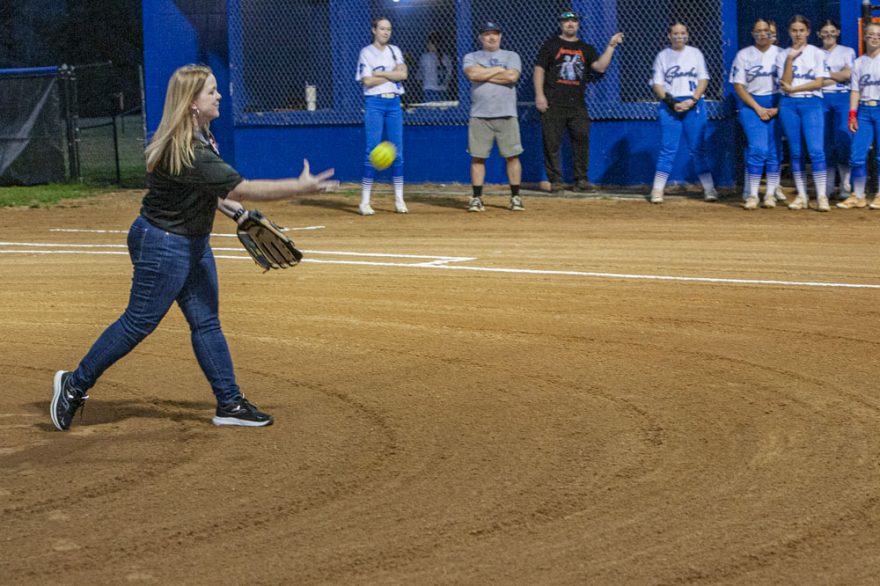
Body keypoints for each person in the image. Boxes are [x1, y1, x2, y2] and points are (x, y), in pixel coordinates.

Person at [50, 64, 339, 431]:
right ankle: (74, 384)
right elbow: (240, 187)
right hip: (164, 243)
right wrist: (300, 187)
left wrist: (237, 214)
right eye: (211, 91)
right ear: (191, 104)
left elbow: (211, 193)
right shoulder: (185, 148)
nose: (219, 95)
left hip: (190, 240)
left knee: (206, 322)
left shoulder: (201, 135)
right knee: (138, 322)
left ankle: (229, 403)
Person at [533, 10, 624, 194]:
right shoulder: (551, 45)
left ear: (578, 24)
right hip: (553, 103)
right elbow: (539, 69)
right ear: (561, 24)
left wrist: (611, 46)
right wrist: (539, 95)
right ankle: (556, 181)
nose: (570, 24)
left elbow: (600, 67)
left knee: (581, 141)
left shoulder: (585, 48)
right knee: (551, 143)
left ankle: (581, 180)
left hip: (577, 104)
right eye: (567, 21)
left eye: (573, 21)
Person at [648, 22, 718, 204]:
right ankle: (657, 190)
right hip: (670, 105)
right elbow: (657, 84)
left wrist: (693, 99)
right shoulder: (662, 56)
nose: (679, 36)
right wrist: (672, 102)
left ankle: (709, 189)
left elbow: (703, 79)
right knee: (667, 149)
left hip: (693, 104)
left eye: (683, 33)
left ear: (687, 35)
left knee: (697, 149)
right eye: (675, 33)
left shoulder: (695, 53)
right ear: (669, 35)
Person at [463, 21, 524, 212]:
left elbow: (512, 77)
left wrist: (486, 73)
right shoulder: (471, 56)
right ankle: (477, 198)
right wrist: (499, 70)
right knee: (478, 157)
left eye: (495, 33)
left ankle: (515, 197)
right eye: (487, 34)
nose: (491, 37)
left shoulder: (511, 55)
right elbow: (472, 75)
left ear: (500, 36)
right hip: (480, 114)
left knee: (512, 156)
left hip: (506, 113)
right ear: (481, 37)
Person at [356, 17, 408, 215]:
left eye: (389, 29)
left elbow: (403, 75)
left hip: (394, 102)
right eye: (382, 29)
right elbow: (367, 81)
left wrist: (381, 74)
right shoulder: (366, 52)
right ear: (374, 30)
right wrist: (390, 74)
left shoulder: (395, 51)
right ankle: (365, 202)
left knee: (398, 151)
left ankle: (399, 200)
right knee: (371, 150)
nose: (386, 32)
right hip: (374, 103)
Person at [777, 15, 829, 211]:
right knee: (796, 152)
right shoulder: (783, 54)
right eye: (794, 30)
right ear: (789, 32)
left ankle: (822, 196)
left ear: (808, 32)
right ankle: (802, 195)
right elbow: (785, 81)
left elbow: (818, 82)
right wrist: (790, 59)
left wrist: (794, 89)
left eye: (801, 30)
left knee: (816, 150)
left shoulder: (816, 53)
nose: (798, 34)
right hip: (789, 104)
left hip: (811, 102)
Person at [730, 18, 782, 209]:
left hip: (776, 103)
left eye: (766, 31)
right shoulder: (744, 55)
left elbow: (789, 84)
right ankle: (752, 194)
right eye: (758, 31)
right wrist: (757, 108)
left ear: (772, 33)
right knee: (758, 148)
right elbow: (739, 85)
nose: (762, 34)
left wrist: (779, 108)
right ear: (753, 34)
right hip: (751, 105)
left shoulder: (781, 54)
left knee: (774, 151)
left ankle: (770, 194)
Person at [840, 22, 880, 209]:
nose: (874, 37)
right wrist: (852, 114)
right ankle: (858, 195)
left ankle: (879, 195)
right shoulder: (858, 63)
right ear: (865, 37)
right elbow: (855, 91)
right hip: (863, 110)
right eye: (871, 34)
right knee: (857, 154)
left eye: (878, 34)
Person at [819, 19, 856, 200]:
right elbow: (815, 80)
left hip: (842, 97)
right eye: (825, 32)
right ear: (819, 34)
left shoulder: (847, 51)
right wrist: (837, 75)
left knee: (843, 137)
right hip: (821, 98)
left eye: (832, 31)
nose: (828, 35)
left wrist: (825, 76)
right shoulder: (814, 52)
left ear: (838, 32)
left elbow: (849, 74)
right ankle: (828, 186)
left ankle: (845, 184)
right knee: (824, 141)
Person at [419, 32, 453, 103]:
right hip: (443, 90)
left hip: (428, 89)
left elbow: (420, 75)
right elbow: (449, 75)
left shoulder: (426, 57)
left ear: (431, 44)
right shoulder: (447, 58)